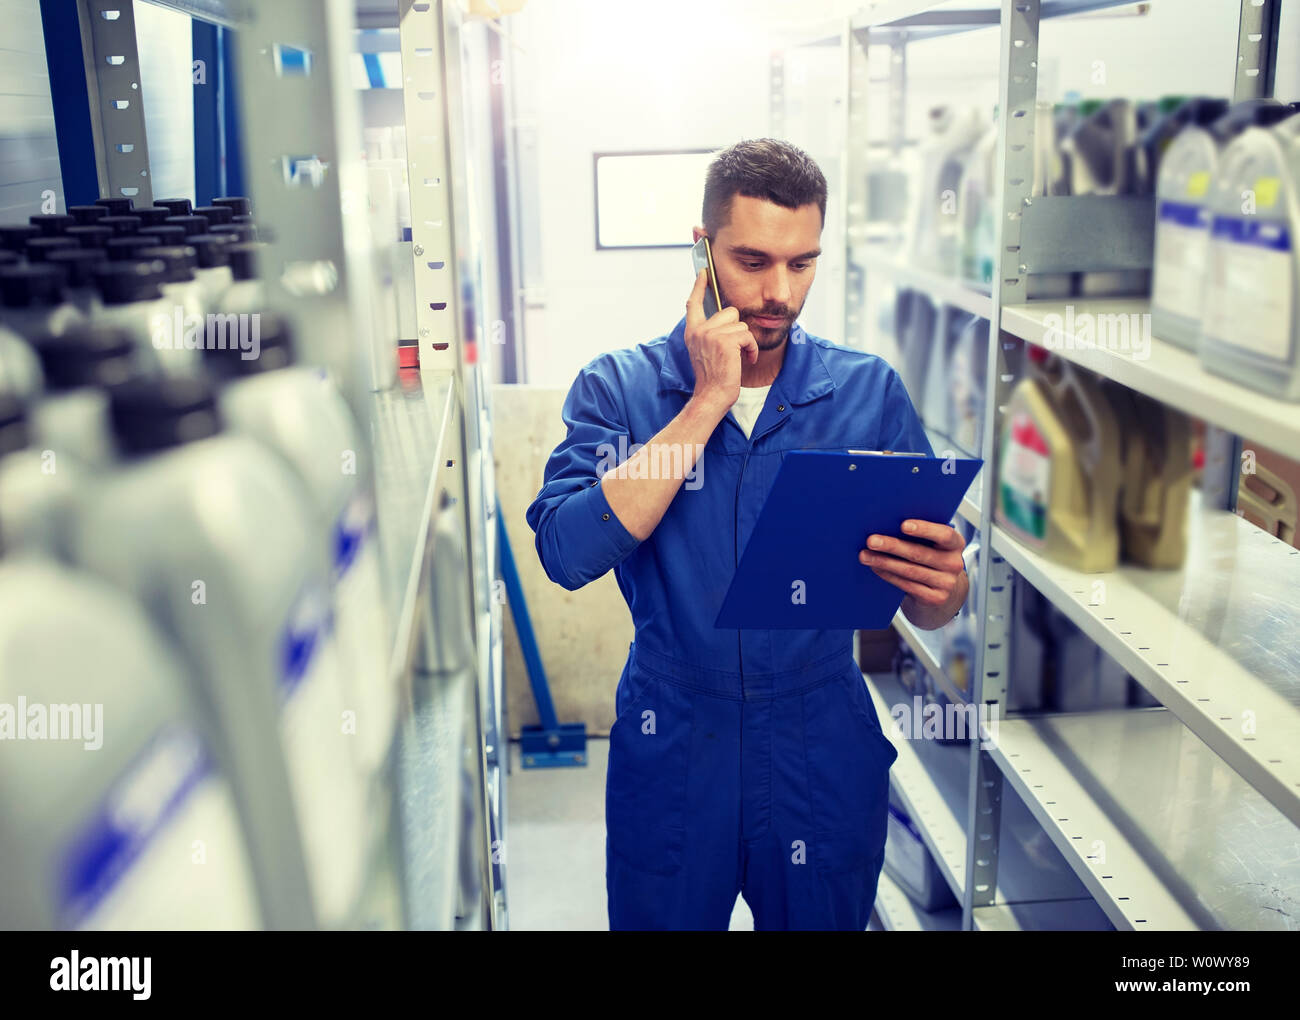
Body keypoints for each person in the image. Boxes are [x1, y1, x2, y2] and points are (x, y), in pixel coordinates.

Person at [526, 138, 969, 930]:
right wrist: (704, 403)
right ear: (701, 251)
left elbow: (925, 606)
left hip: (820, 740)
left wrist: (945, 593)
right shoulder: (620, 388)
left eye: (802, 264)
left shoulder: (867, 394)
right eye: (753, 260)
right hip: (674, 741)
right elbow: (564, 551)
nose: (778, 293)